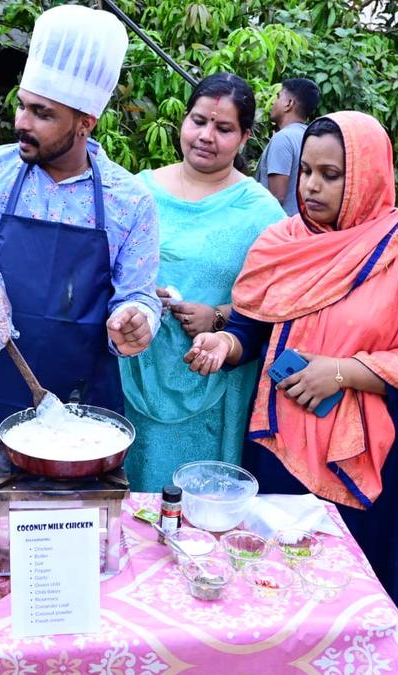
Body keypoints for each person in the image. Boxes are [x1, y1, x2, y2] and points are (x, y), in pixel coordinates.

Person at [184, 112, 398, 604]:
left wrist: (340, 373)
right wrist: (225, 345)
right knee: (266, 581)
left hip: (357, 458)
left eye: (331, 175)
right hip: (274, 444)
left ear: (368, 175)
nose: (311, 186)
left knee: (346, 591)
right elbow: (253, 325)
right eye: (307, 171)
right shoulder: (284, 243)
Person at [0, 4, 161, 491]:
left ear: (85, 122)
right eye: (22, 105)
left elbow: (136, 295)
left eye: (43, 113)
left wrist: (138, 320)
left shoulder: (129, 200)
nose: (22, 122)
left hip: (84, 404)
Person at [120, 73, 284, 493]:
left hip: (214, 378)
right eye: (198, 121)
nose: (206, 136)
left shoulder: (260, 212)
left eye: (223, 128)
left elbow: (282, 301)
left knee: (198, 501)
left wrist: (219, 315)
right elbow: (107, 271)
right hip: (134, 366)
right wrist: (135, 297)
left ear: (245, 137)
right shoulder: (138, 191)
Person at [254, 78, 319, 216]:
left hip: (277, 227)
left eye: (278, 96)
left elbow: (277, 197)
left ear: (289, 104)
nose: (273, 102)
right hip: (299, 227)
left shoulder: (283, 138)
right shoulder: (309, 137)